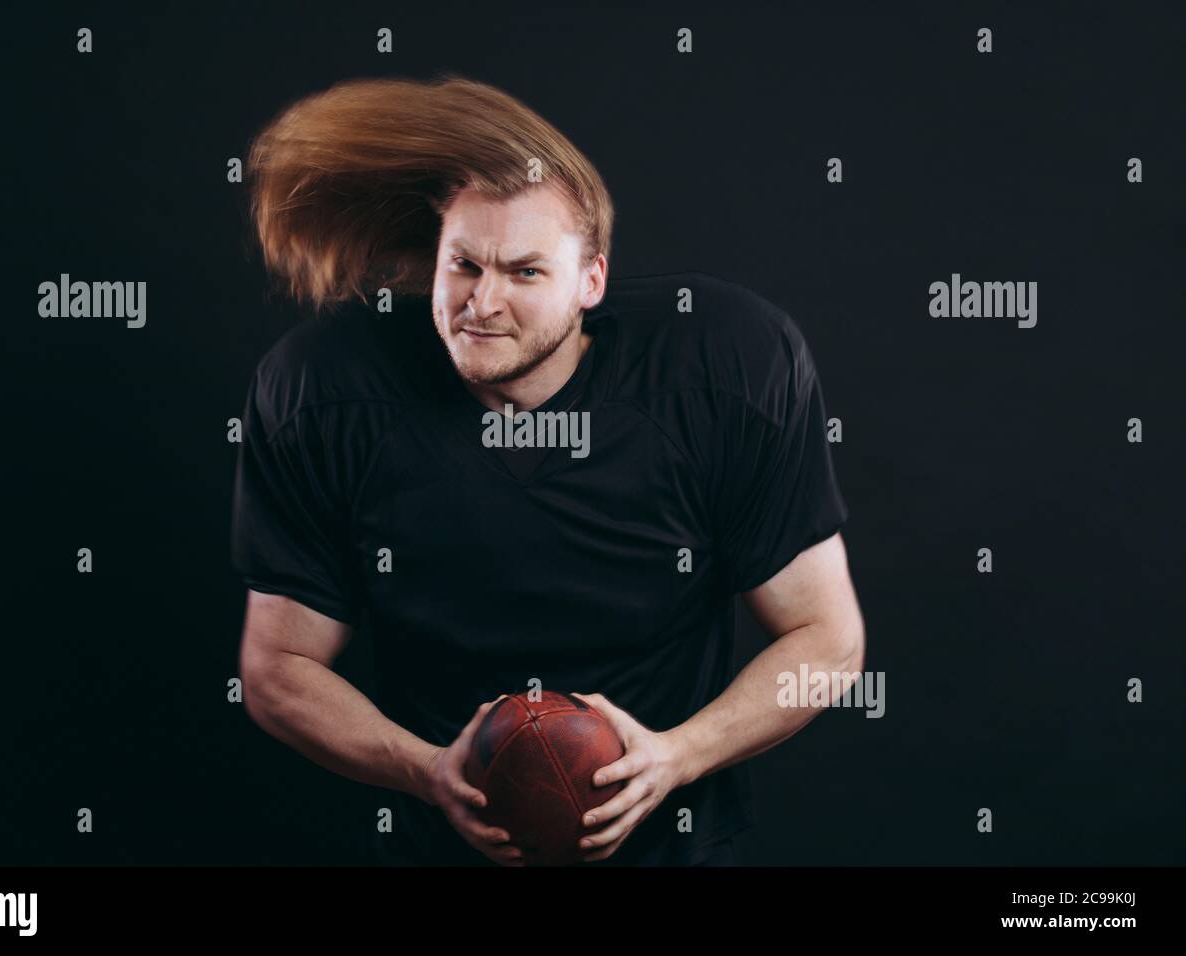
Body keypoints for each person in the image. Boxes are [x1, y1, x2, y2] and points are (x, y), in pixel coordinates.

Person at [231, 74, 865, 866]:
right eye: (464, 265)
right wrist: (428, 771)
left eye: (526, 272)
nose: (482, 303)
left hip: (672, 849)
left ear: (590, 282)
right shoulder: (324, 392)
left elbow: (828, 639)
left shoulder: (726, 368)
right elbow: (276, 666)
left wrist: (675, 756)